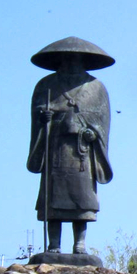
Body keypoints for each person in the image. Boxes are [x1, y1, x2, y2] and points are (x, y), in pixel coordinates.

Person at [27, 37, 114, 256]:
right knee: (53, 199)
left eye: (75, 58)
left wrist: (93, 132)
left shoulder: (96, 88)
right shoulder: (46, 85)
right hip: (55, 149)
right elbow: (37, 113)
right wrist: (45, 118)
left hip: (82, 152)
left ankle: (79, 244)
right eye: (67, 58)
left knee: (82, 198)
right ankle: (54, 244)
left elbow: (102, 121)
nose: (71, 62)